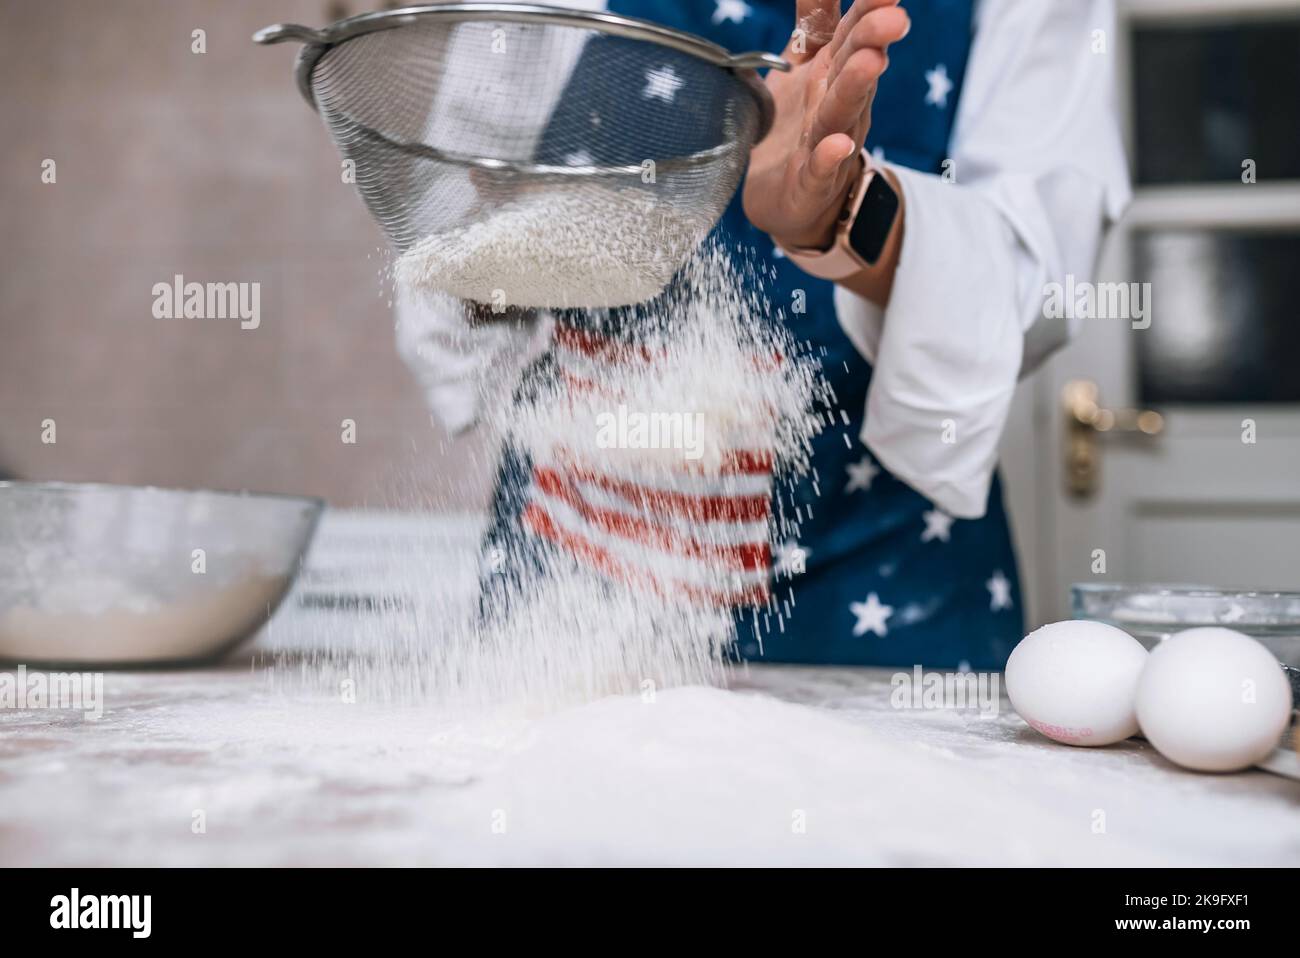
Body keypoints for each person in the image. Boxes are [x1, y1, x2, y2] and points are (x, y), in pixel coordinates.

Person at [396, 0, 1130, 669]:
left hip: (884, 573)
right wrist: (520, 250)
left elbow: (1037, 284)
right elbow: (457, 248)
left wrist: (840, 215)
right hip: (575, 557)